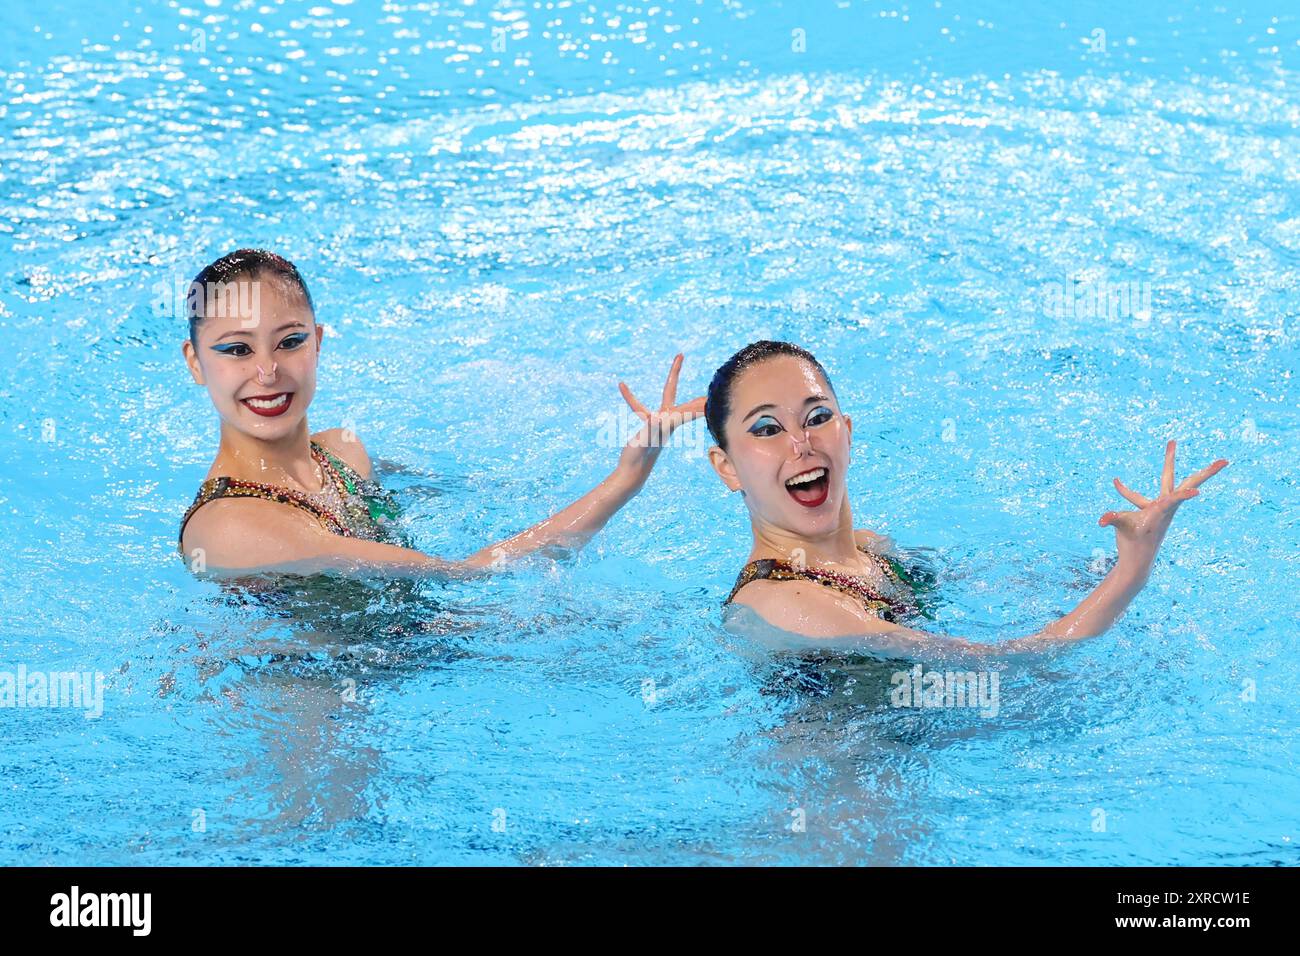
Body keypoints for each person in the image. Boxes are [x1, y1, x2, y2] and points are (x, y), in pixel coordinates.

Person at [178, 248, 703, 577]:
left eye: (289, 341)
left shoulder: (343, 452)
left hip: (413, 647)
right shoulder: (234, 526)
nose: (268, 371)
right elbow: (471, 571)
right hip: (304, 688)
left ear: (317, 343)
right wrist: (627, 477)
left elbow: (466, 495)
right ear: (196, 363)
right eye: (236, 350)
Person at [704, 340, 1229, 662]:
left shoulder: (869, 550)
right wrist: (1131, 573)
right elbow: (1010, 668)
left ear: (847, 432)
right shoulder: (786, 602)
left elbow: (977, 584)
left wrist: (1094, 568)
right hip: (846, 804)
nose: (801, 443)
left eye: (817, 417)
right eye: (767, 428)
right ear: (727, 467)